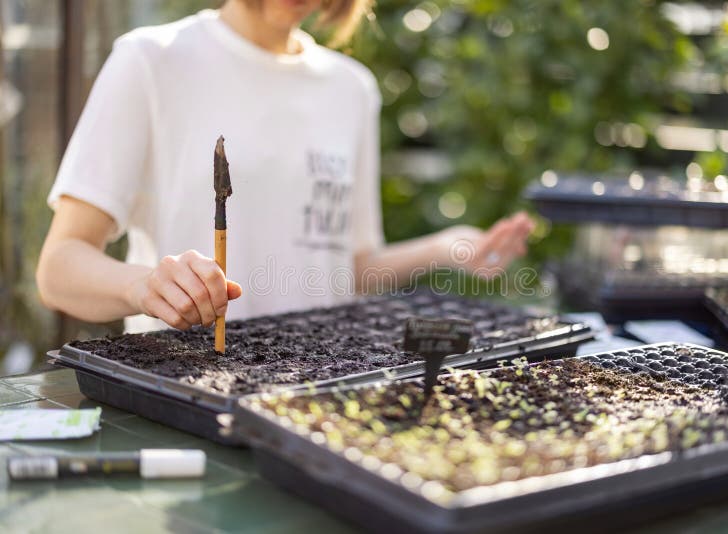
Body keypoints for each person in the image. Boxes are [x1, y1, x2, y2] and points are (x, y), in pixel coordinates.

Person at [37, 0, 534, 333]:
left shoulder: (351, 89)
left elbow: (345, 269)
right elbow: (60, 267)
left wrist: (446, 248)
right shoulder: (151, 60)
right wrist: (141, 286)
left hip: (320, 393)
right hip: (184, 390)